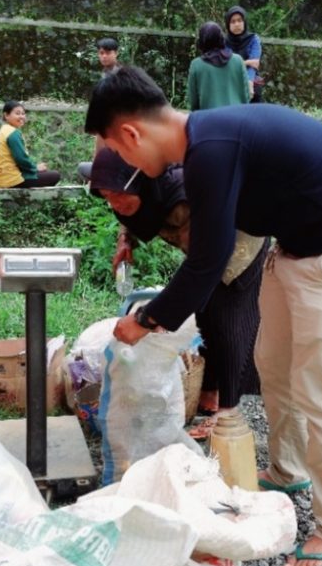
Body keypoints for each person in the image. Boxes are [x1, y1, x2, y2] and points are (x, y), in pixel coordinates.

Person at [84, 66, 322, 566]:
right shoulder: (203, 146)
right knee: (272, 365)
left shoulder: (211, 149)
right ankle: (288, 472)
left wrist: (147, 320)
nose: (127, 166)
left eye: (119, 152)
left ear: (131, 135)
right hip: (295, 246)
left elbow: (207, 262)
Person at [83, 148, 268, 437]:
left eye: (118, 196)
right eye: (107, 197)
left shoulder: (184, 197)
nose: (114, 203)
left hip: (239, 239)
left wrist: (145, 320)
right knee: (205, 316)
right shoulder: (134, 187)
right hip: (205, 247)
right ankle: (209, 391)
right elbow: (126, 206)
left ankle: (227, 414)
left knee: (228, 321)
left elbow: (200, 270)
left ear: (140, 184)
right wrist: (125, 240)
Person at [0, 101, 61, 188]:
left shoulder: (4, 130)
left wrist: (35, 168)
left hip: (4, 179)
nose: (21, 116)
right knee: (55, 175)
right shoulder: (12, 133)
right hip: (12, 180)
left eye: (23, 113)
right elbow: (21, 159)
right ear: (6, 115)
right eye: (17, 113)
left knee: (44, 173)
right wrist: (35, 168)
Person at [187, 22, 250, 111]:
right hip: (236, 118)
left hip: (209, 120)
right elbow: (246, 95)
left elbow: (193, 102)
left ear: (202, 40)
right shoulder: (238, 60)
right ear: (221, 38)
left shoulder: (196, 65)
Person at [224, 5, 264, 103]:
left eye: (239, 20)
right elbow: (226, 63)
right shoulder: (223, 42)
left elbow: (254, 65)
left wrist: (249, 82)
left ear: (244, 22)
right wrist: (247, 62)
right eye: (233, 21)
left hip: (251, 81)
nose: (237, 24)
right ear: (228, 24)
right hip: (229, 80)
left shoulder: (254, 39)